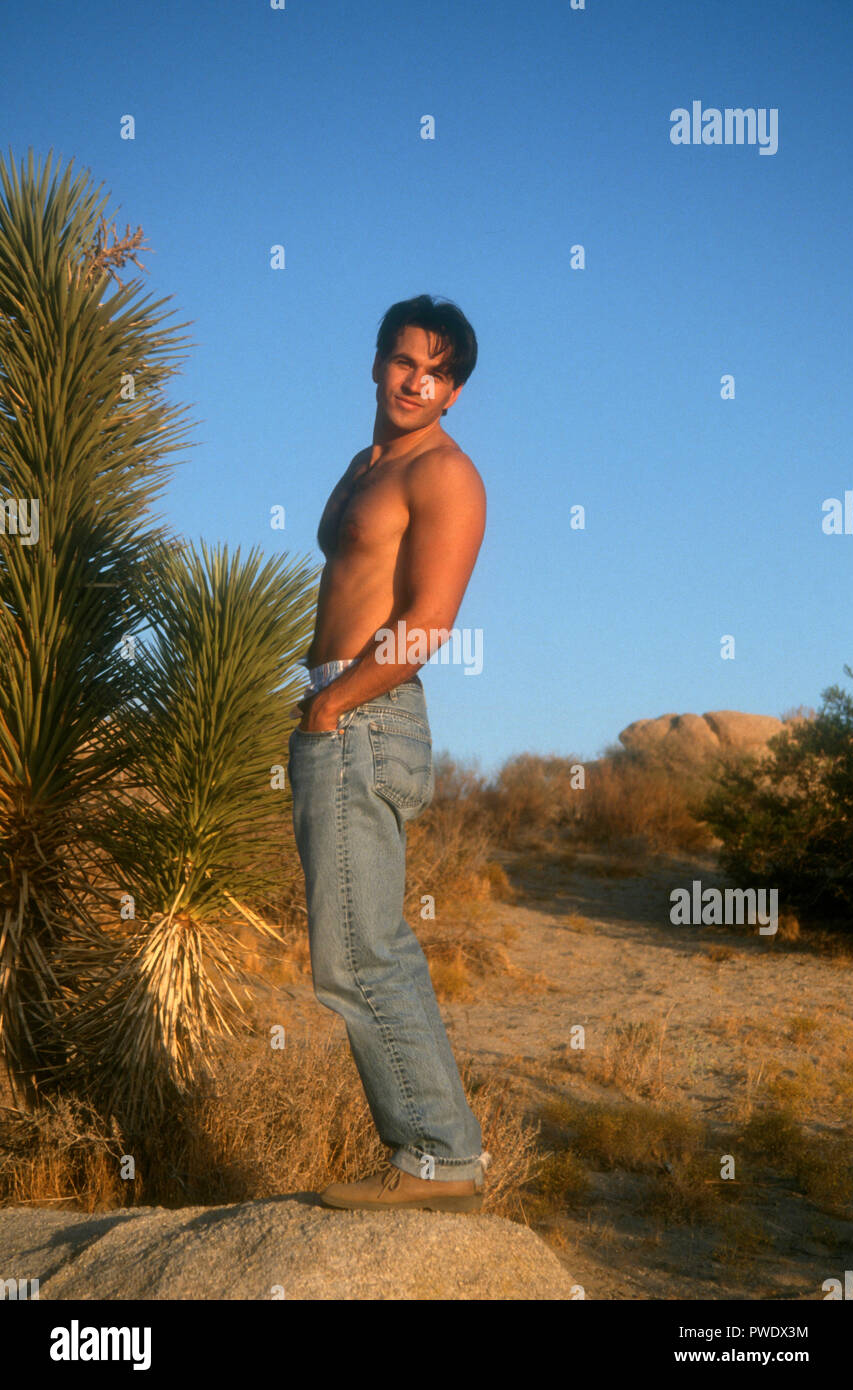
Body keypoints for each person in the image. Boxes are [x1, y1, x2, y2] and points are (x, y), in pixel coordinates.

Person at [287, 294, 488, 1212]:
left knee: (363, 950)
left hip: (369, 714)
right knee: (349, 947)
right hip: (341, 708)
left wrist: (332, 702)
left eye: (438, 373)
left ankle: (441, 1161)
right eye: (406, 361)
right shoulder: (366, 464)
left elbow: (428, 623)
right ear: (376, 363)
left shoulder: (445, 475)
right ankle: (433, 1156)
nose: (418, 381)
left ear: (452, 394)